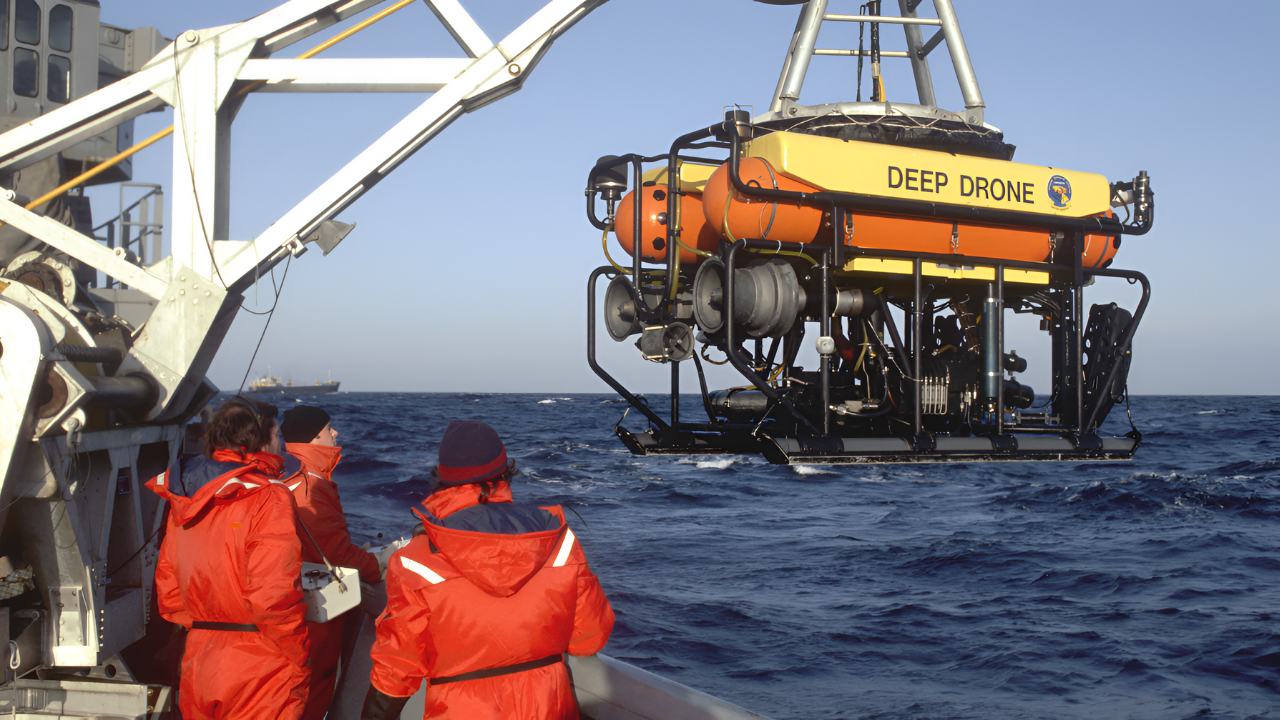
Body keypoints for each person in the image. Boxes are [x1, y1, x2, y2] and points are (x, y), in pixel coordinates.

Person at [362, 420, 615, 719]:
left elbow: (398, 666)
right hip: (548, 706)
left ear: (442, 477)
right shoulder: (560, 541)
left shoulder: (414, 560)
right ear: (505, 471)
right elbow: (589, 638)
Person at [147, 396, 310, 720]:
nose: (282, 445)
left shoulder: (184, 495)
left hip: (199, 660)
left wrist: (212, 628)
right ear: (259, 440)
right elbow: (272, 598)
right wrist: (298, 656)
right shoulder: (268, 495)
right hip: (258, 664)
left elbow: (168, 591)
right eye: (277, 436)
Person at [280, 404, 381, 720]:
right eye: (327, 429)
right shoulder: (310, 486)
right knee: (312, 694)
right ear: (313, 439)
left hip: (301, 602)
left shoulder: (294, 478)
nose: (334, 433)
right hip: (317, 612)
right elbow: (336, 553)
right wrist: (378, 565)